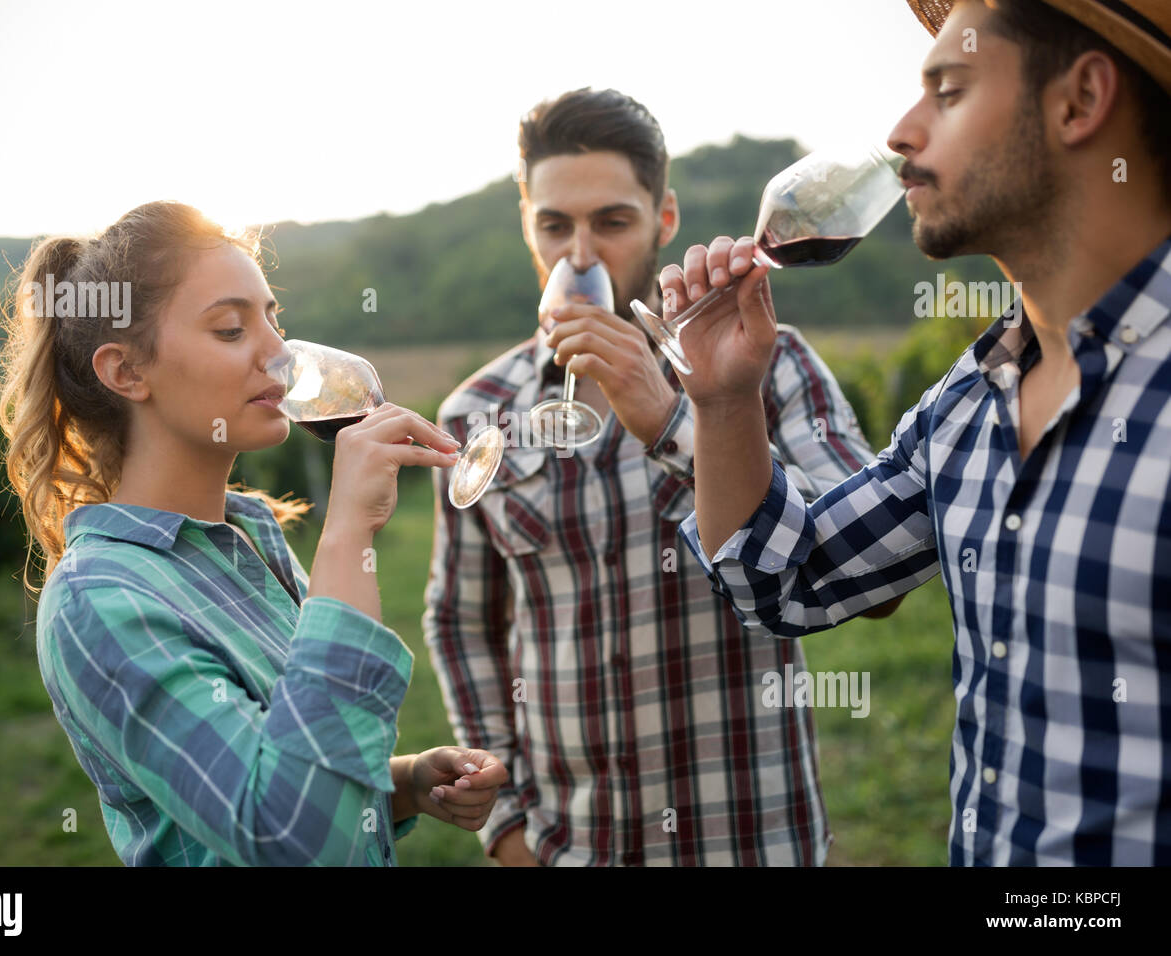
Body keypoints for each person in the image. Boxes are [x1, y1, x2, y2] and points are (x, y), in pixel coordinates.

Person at [668, 0, 1171, 865]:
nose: (902, 133)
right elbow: (787, 580)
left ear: (1080, 101)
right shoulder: (966, 410)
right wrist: (723, 402)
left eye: (948, 91)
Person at [422, 88, 901, 867]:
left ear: (664, 218)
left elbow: (875, 585)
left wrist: (679, 424)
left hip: (747, 841)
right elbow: (460, 622)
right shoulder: (478, 409)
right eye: (554, 225)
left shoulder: (765, 363)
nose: (580, 254)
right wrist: (506, 829)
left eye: (611, 221)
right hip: (571, 847)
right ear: (526, 224)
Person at [0, 201, 507, 866]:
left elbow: (296, 756)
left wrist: (404, 783)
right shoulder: (99, 599)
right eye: (232, 329)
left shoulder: (245, 540)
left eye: (275, 319)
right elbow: (288, 836)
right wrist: (348, 531)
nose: (281, 355)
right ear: (126, 371)